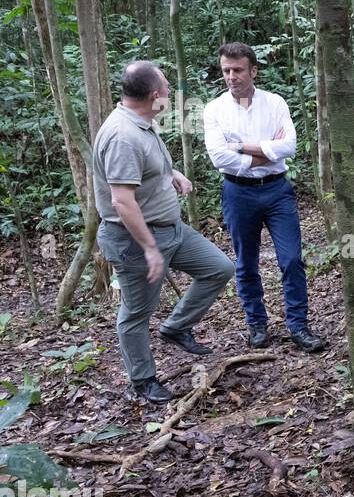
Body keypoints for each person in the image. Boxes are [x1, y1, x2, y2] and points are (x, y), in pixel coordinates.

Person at [92, 61, 235, 404]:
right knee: (137, 313)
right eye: (168, 89)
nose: (171, 95)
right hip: (136, 240)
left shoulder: (141, 122)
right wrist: (150, 248)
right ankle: (143, 380)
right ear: (154, 95)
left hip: (171, 229)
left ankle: (176, 327)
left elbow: (145, 166)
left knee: (219, 268)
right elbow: (122, 201)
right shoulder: (122, 136)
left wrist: (171, 172)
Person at [203, 42, 324, 352]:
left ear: (253, 71)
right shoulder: (215, 109)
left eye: (238, 70)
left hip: (276, 190)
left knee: (292, 259)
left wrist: (241, 148)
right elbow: (218, 158)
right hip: (237, 191)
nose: (231, 76)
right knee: (246, 262)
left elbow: (290, 147)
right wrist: (265, 150)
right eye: (226, 70)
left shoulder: (274, 103)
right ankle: (257, 324)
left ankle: (298, 325)